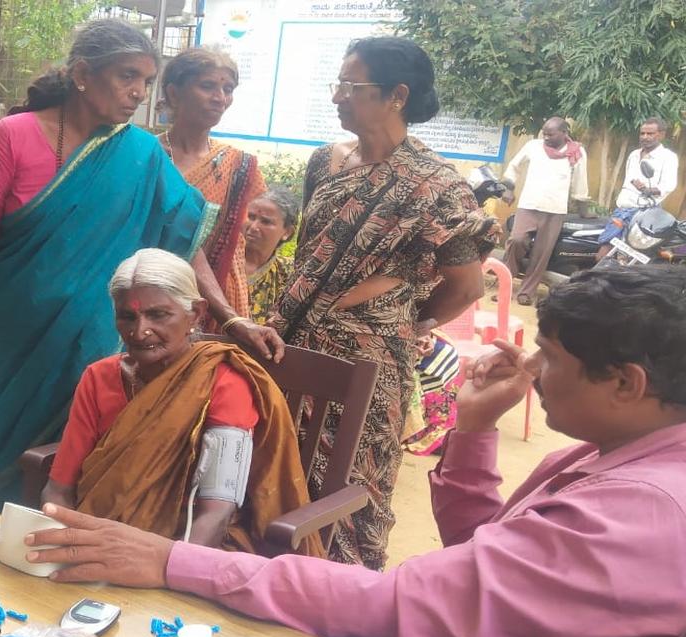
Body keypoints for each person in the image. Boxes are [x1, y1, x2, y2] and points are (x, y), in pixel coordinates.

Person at [28, 264, 686, 637]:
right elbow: (482, 556)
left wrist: (172, 560)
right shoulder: (598, 456)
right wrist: (477, 428)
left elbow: (405, 604)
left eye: (548, 355)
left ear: (625, 383)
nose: (534, 371)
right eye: (129, 316)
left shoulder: (642, 512)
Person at [0, 19, 284, 510]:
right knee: (1, 473)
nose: (138, 94)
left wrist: (229, 317)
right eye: (127, 76)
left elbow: (185, 244)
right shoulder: (12, 136)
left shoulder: (139, 151)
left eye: (146, 81)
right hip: (11, 338)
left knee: (74, 468)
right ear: (82, 74)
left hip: (89, 340)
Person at [276, 36, 497, 569]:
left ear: (397, 95)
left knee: (353, 484)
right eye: (339, 84)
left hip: (369, 366)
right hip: (286, 347)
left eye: (351, 87)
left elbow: (465, 288)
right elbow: (316, 253)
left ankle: (344, 597)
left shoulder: (441, 187)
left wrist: (404, 320)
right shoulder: (325, 165)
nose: (337, 97)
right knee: (274, 470)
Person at [41, 249, 318, 554]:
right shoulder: (99, 377)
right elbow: (59, 489)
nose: (140, 330)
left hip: (189, 548)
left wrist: (167, 569)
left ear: (196, 313)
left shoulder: (223, 383)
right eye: (127, 316)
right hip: (95, 538)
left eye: (158, 315)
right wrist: (65, 545)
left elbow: (217, 513)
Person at [158, 48, 267, 331]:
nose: (220, 98)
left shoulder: (240, 166)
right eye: (207, 86)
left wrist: (231, 315)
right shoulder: (147, 155)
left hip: (219, 298)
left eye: (227, 89)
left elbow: (240, 244)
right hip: (151, 290)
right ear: (173, 93)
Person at [501, 117, 591, 305]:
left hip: (555, 209)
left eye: (550, 134)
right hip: (528, 204)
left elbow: (580, 182)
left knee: (542, 253)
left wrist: (583, 209)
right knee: (516, 241)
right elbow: (513, 166)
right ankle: (505, 287)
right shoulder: (533, 146)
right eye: (544, 132)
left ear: (564, 133)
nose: (546, 137)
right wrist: (509, 187)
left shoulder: (577, 152)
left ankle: (527, 292)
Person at [596, 117, 679, 257]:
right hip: (622, 212)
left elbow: (669, 185)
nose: (645, 137)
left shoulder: (668, 157)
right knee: (604, 254)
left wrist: (647, 190)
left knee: (630, 258)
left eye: (650, 134)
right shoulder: (634, 155)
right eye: (642, 133)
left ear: (662, 134)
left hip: (644, 215)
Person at [243, 187, 299, 331]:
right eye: (250, 217)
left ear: (287, 232)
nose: (254, 226)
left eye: (266, 222)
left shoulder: (290, 273)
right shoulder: (219, 261)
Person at [401, 330, 460, 456]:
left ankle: (433, 430)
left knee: (447, 354)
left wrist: (425, 334)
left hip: (412, 328)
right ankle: (417, 430)